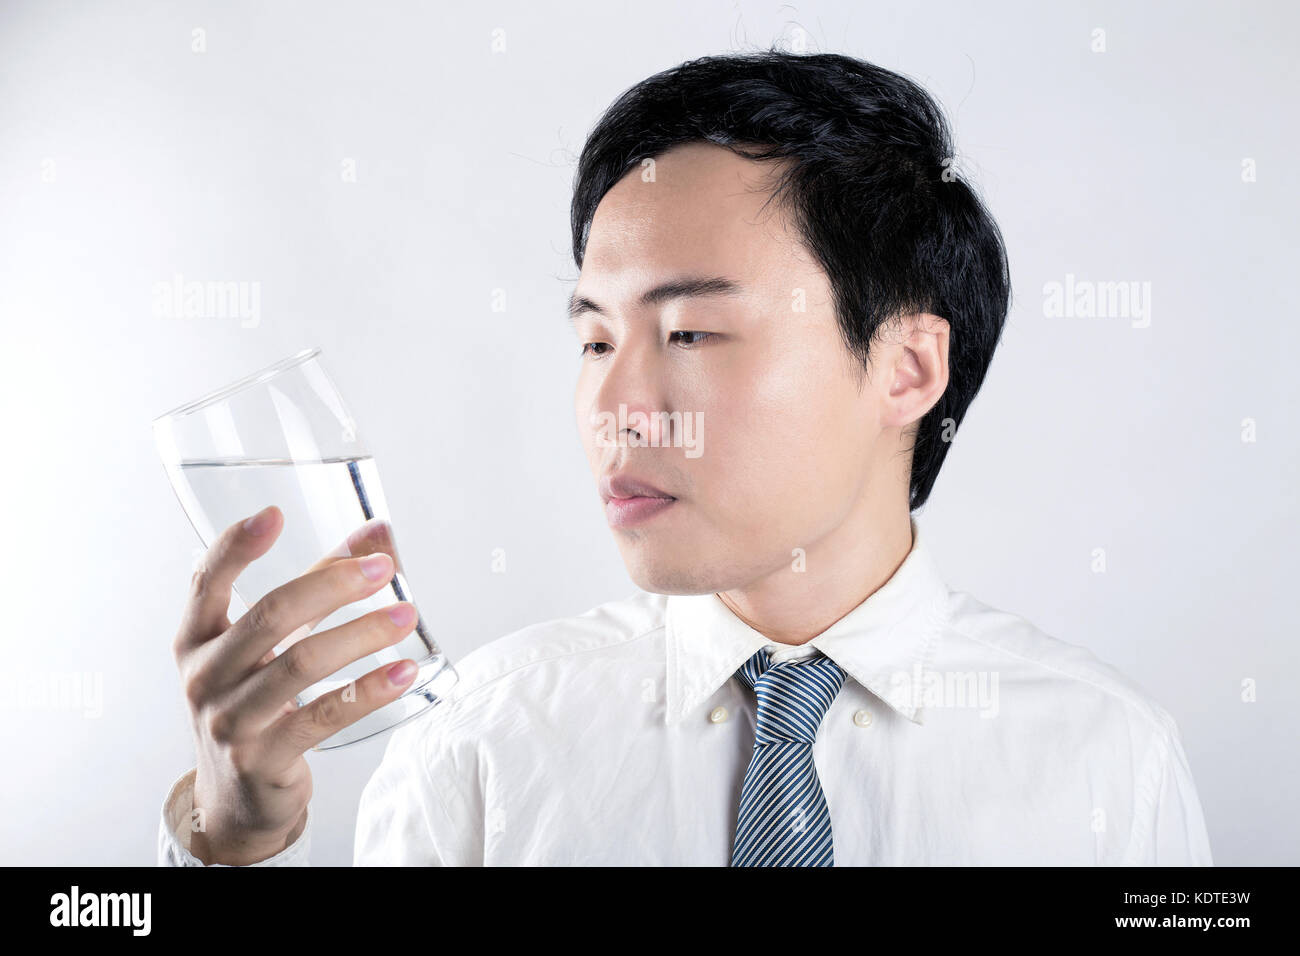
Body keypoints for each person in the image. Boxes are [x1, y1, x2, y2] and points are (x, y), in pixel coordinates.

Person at [158, 49, 1213, 866]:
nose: (612, 405)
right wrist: (228, 843)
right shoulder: (479, 741)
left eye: (693, 332)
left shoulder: (1105, 753)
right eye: (594, 339)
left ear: (904, 368)